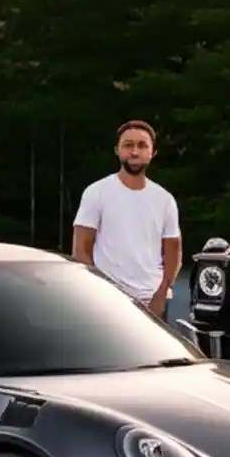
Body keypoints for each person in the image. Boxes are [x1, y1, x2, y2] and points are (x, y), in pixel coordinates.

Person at [71, 120, 181, 320]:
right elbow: (80, 250)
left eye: (142, 145)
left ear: (152, 152)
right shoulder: (97, 192)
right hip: (107, 299)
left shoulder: (164, 199)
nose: (135, 152)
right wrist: (100, 291)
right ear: (117, 150)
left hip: (152, 300)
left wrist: (162, 292)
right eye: (128, 145)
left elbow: (173, 250)